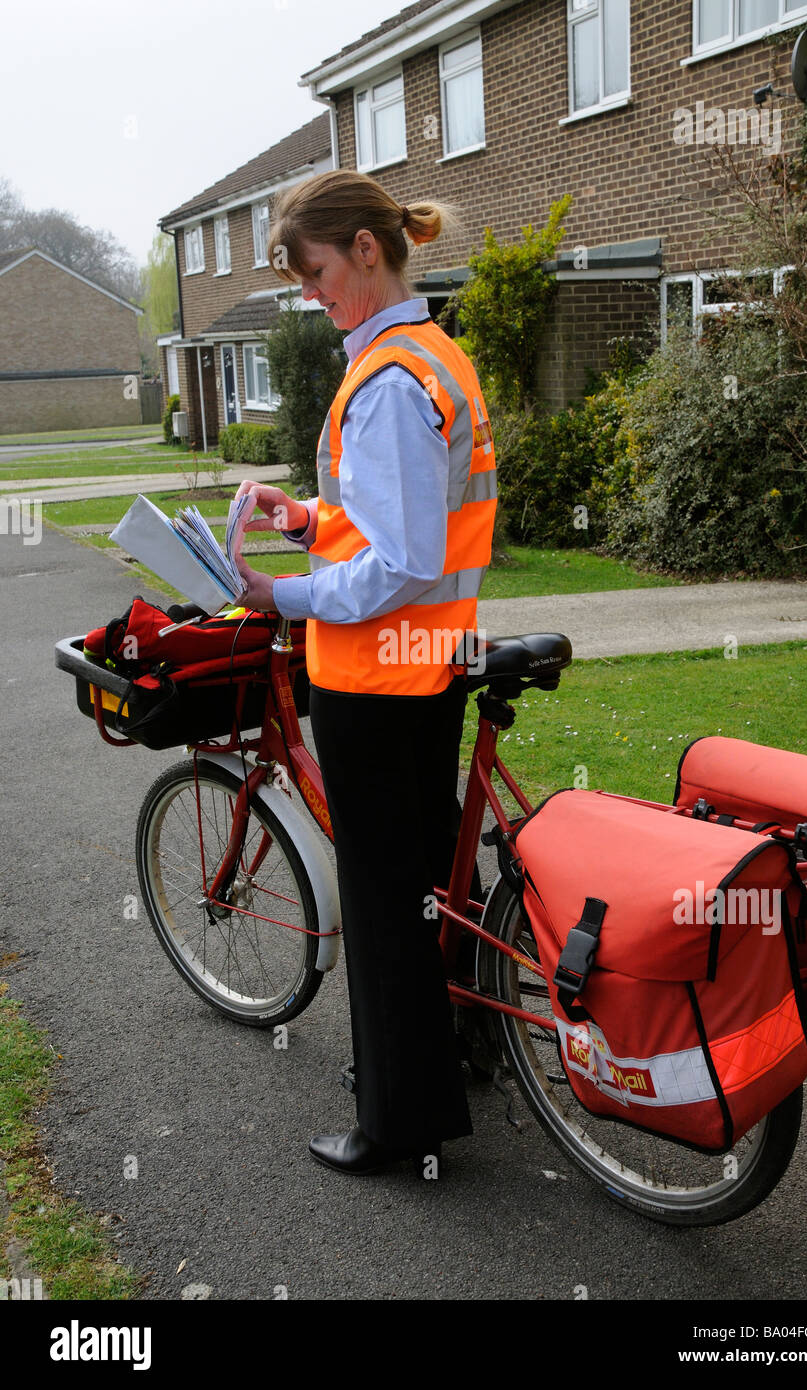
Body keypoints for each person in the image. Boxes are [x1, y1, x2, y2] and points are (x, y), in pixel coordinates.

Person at [233, 169, 496, 1178]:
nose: (310, 292)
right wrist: (307, 520)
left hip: (373, 682)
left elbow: (394, 565)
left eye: (313, 271)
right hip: (421, 669)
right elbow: (391, 528)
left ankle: (398, 1124)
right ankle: (460, 1046)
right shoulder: (430, 357)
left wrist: (282, 595)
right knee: (430, 879)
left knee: (385, 907)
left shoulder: (386, 382)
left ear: (366, 251)